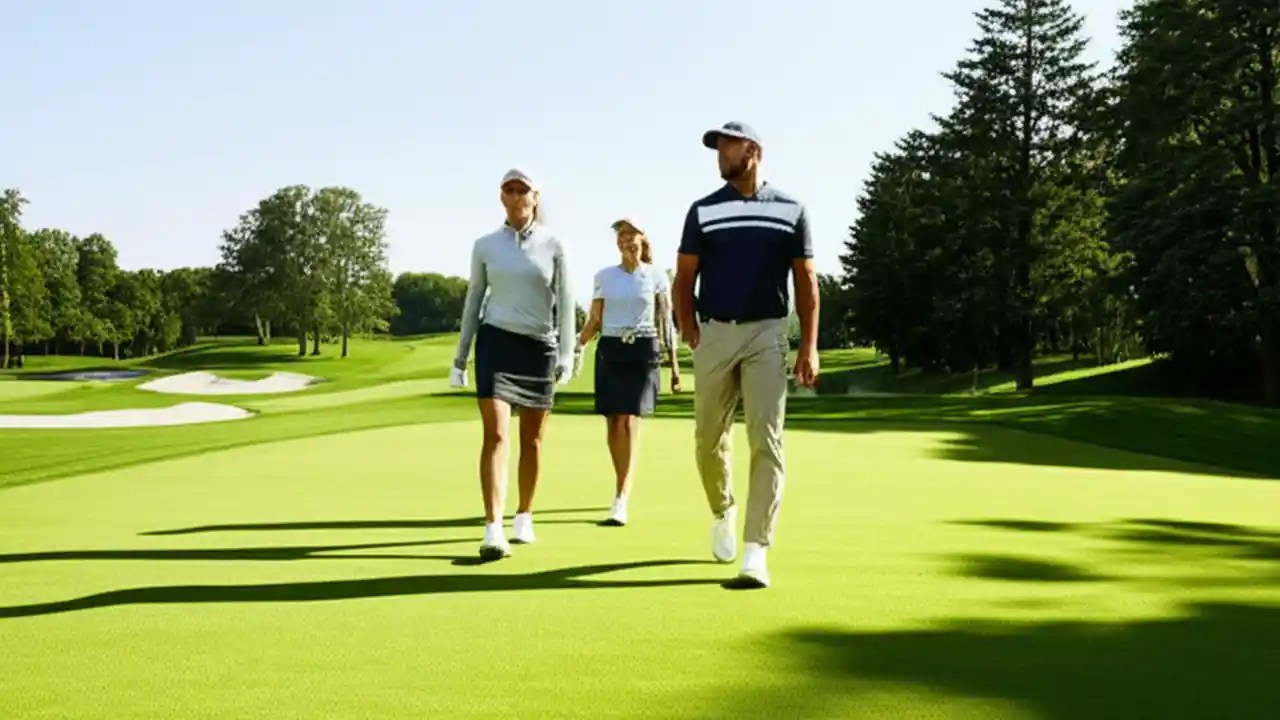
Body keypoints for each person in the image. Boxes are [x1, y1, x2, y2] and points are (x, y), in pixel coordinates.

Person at [673, 121, 820, 589]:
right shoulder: (702, 211)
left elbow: (807, 285)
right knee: (707, 440)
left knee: (766, 439)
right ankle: (723, 509)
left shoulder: (792, 210)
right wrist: (689, 325)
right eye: (717, 147)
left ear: (752, 151)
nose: (719, 154)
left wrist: (809, 346)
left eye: (727, 146)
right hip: (714, 333)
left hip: (768, 334)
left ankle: (756, 550)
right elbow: (682, 278)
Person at [451, 168, 578, 562]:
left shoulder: (555, 245)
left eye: (523, 190)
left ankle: (524, 512)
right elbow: (474, 299)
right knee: (496, 436)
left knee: (533, 440)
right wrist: (460, 356)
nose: (517, 195)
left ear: (535, 197)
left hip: (538, 346)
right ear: (501, 198)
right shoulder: (485, 245)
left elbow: (566, 302)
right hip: (496, 342)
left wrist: (566, 354)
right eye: (510, 189)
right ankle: (493, 527)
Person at [577, 218, 681, 527]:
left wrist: (674, 366)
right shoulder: (603, 276)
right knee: (613, 423)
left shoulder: (657, 276)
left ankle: (621, 494)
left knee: (629, 418)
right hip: (611, 349)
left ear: (642, 238)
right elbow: (595, 317)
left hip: (642, 349)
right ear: (617, 243)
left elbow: (666, 322)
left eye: (631, 234)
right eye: (621, 235)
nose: (627, 240)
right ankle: (621, 480)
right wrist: (577, 347)